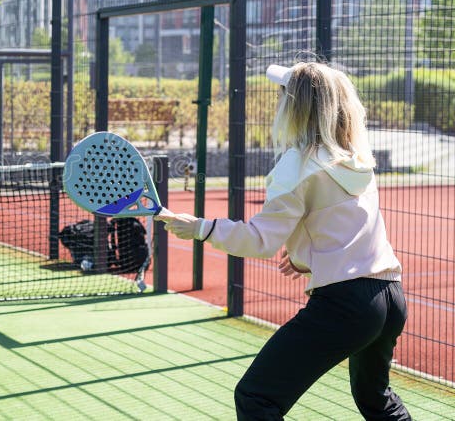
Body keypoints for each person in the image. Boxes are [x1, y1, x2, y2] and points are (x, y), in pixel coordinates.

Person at [156, 61, 409, 420]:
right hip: (391, 299)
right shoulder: (355, 159)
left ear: (296, 105)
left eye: (281, 95)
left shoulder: (297, 165)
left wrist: (200, 227)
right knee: (376, 398)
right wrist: (307, 256)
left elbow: (259, 241)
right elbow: (344, 229)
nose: (277, 102)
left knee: (256, 397)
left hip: (346, 306)